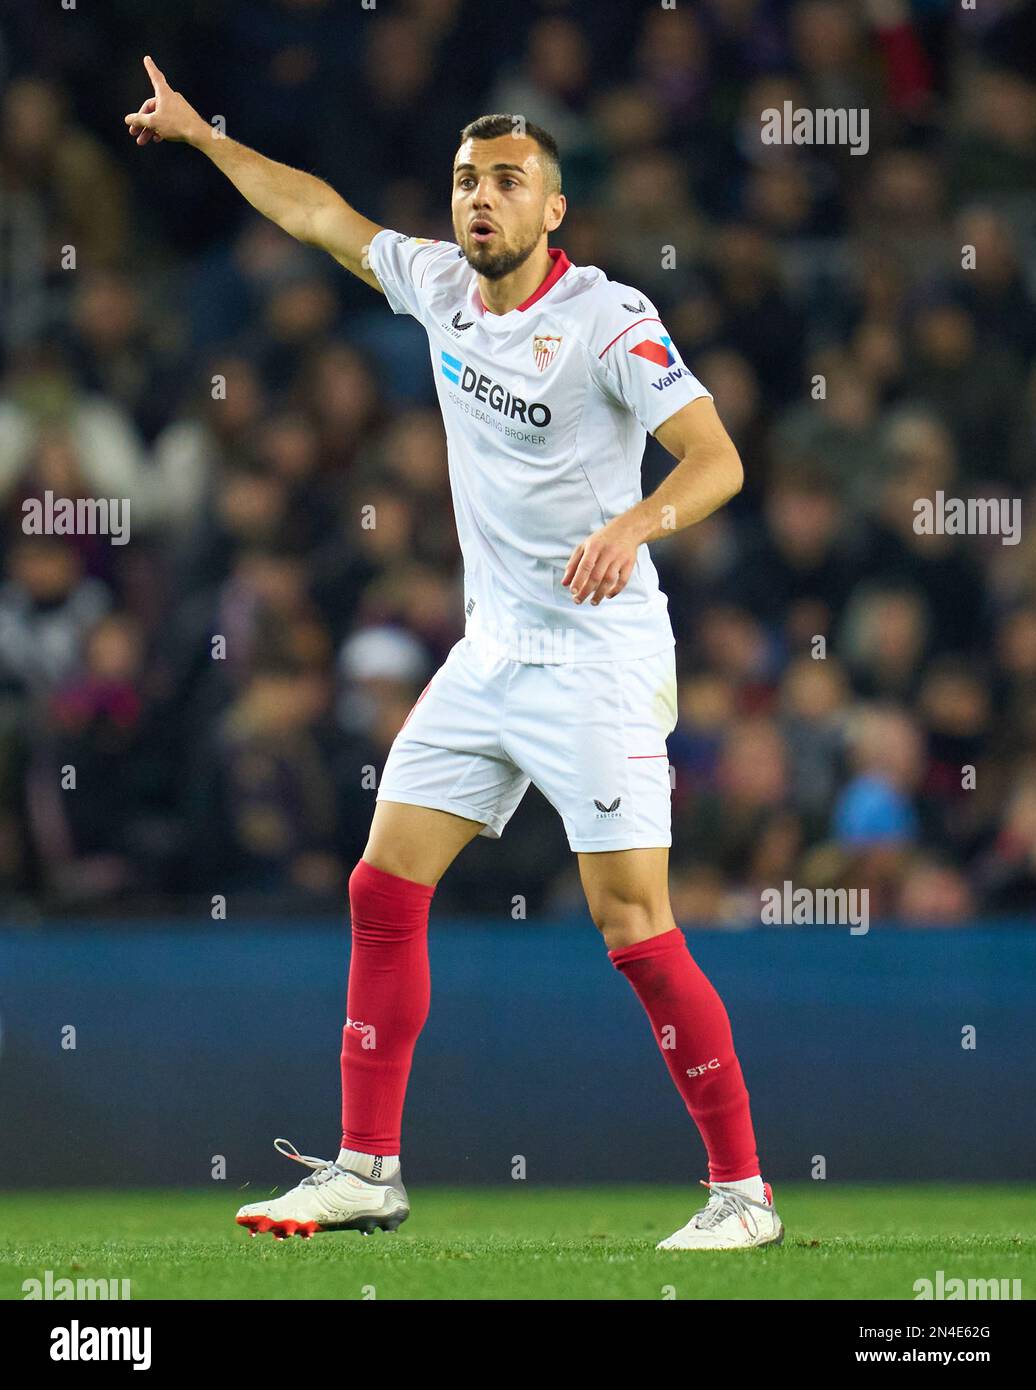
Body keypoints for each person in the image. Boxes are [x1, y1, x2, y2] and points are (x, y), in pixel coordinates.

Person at [124, 56, 783, 1251]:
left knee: (630, 923)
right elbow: (320, 213)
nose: (479, 198)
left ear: (552, 210)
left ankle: (742, 1193)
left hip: (597, 652)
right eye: (466, 179)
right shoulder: (435, 286)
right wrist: (201, 135)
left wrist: (633, 524)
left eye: (507, 181)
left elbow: (717, 459)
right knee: (382, 888)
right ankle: (368, 1167)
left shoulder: (610, 319)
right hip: (491, 652)